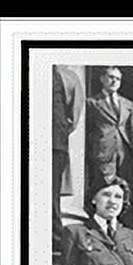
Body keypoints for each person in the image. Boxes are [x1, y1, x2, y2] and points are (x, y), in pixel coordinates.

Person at [85, 66, 133, 228]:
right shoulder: (92, 102)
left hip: (126, 153)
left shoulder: (128, 104)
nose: (114, 81)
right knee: (104, 190)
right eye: (111, 77)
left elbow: (130, 129)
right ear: (102, 79)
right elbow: (88, 129)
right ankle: (100, 229)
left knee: (126, 192)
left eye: (118, 79)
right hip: (103, 152)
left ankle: (125, 230)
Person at [53, 65, 84, 243]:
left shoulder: (67, 75)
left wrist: (62, 129)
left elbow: (74, 114)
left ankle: (55, 234)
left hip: (56, 142)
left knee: (51, 191)